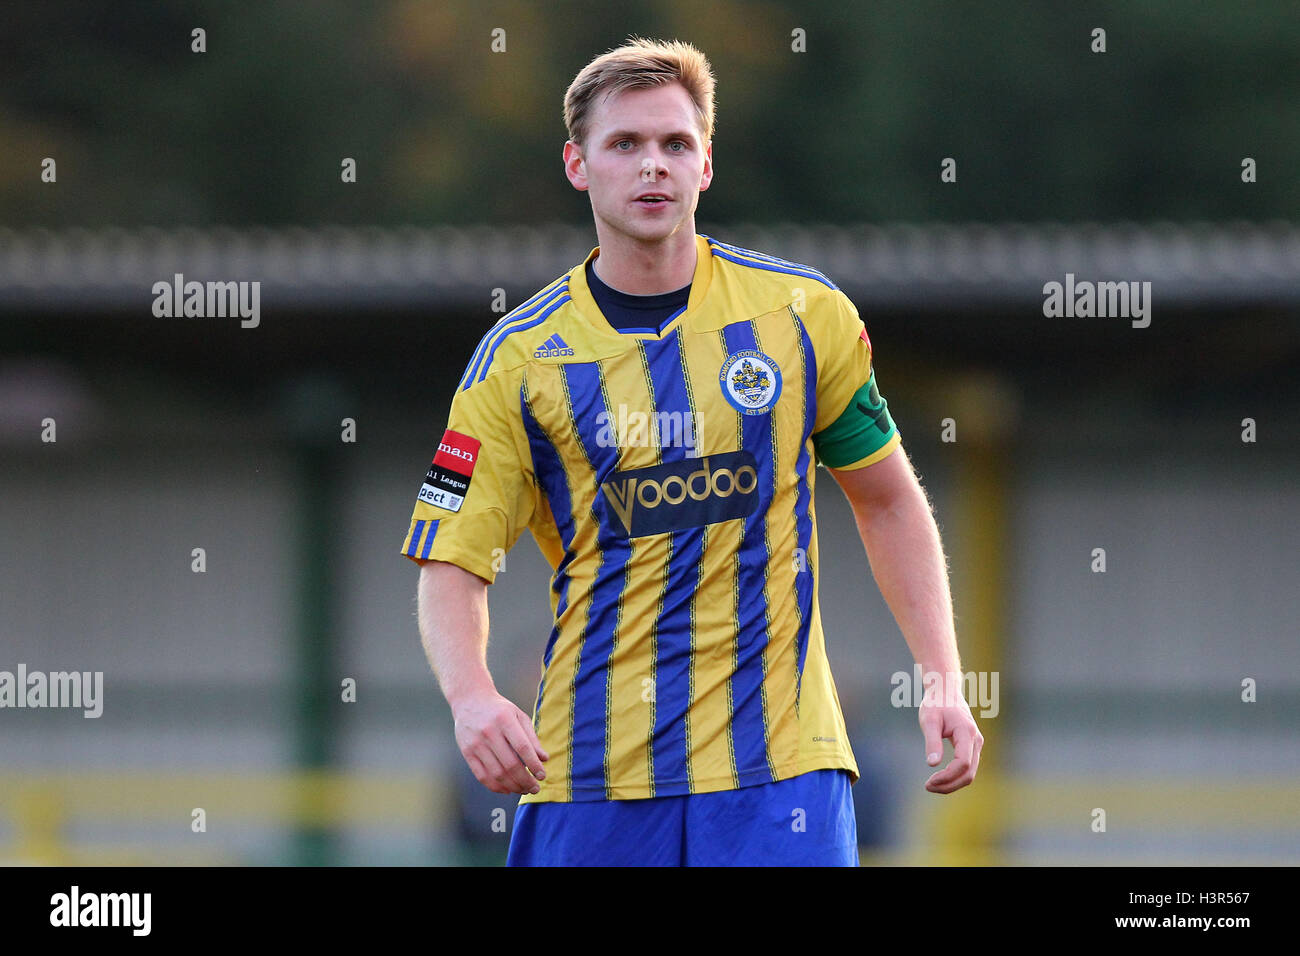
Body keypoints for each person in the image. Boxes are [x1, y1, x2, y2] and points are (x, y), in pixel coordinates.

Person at [399, 36, 982, 866]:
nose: (653, 167)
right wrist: (471, 697)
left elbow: (886, 497)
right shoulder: (517, 363)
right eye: (625, 145)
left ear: (706, 165)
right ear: (578, 164)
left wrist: (942, 676)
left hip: (781, 767)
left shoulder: (801, 319)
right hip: (590, 771)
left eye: (676, 144)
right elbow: (450, 559)